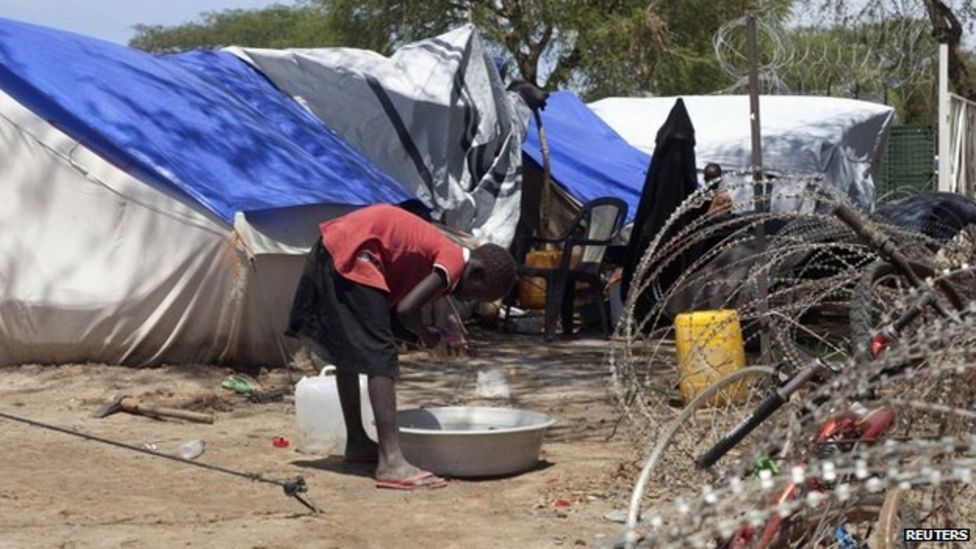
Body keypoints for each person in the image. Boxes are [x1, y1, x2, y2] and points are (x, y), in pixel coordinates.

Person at [287, 204, 517, 490]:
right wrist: (429, 338)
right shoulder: (452, 259)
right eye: (476, 295)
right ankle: (392, 462)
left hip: (336, 246)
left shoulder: (439, 256)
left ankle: (357, 441)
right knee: (381, 356)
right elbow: (408, 311)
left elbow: (394, 315)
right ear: (478, 274)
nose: (468, 301)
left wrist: (428, 333)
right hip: (355, 250)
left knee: (349, 349)